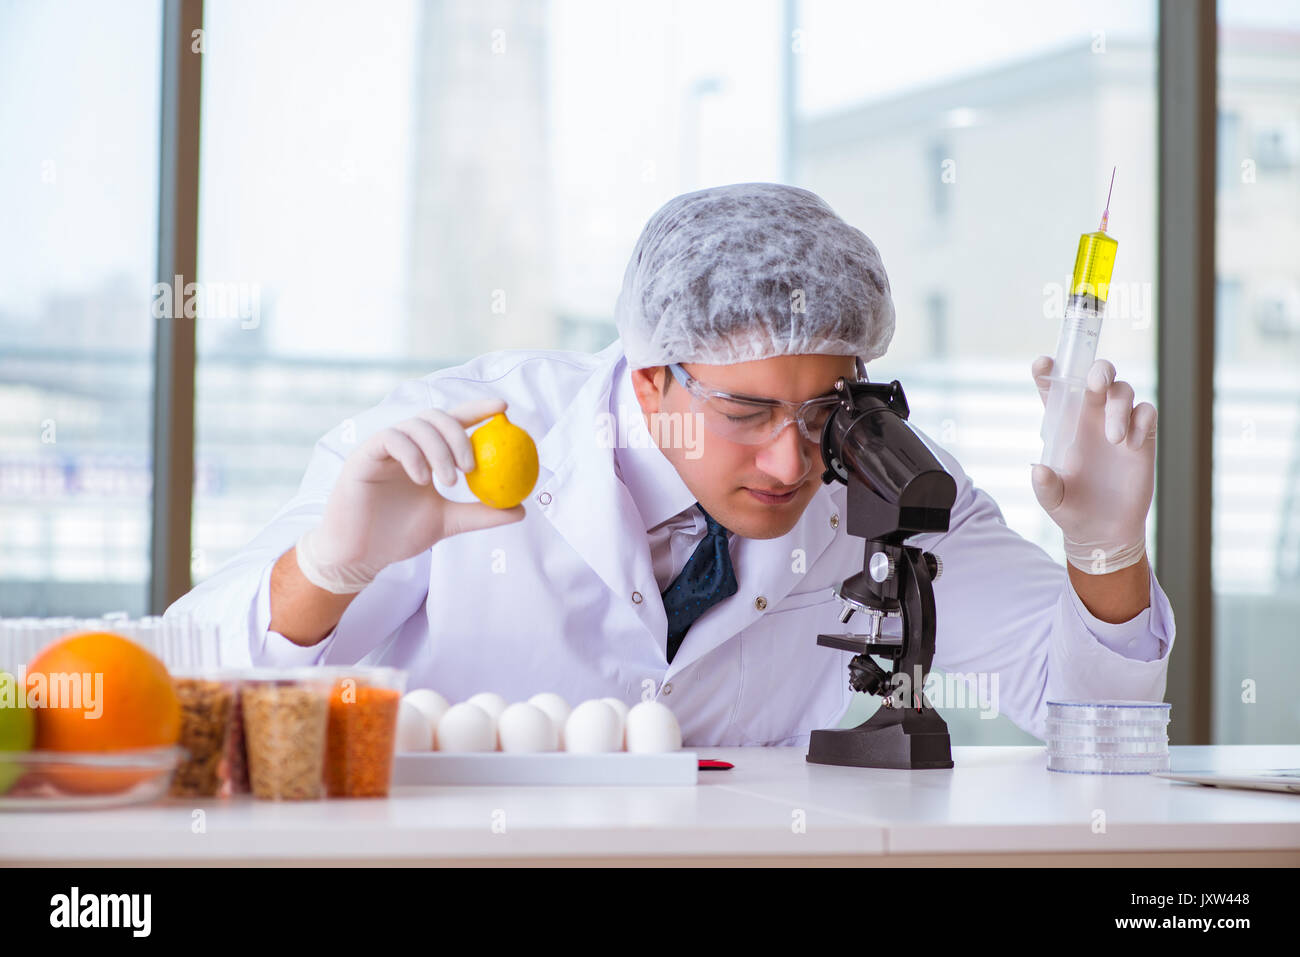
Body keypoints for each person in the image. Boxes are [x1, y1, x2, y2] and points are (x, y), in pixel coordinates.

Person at [165, 182, 1172, 747]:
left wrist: (1103, 547)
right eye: (744, 410)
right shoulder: (448, 442)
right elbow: (188, 699)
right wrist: (328, 574)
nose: (791, 458)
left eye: (824, 407)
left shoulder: (883, 475)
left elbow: (1100, 727)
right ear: (650, 377)